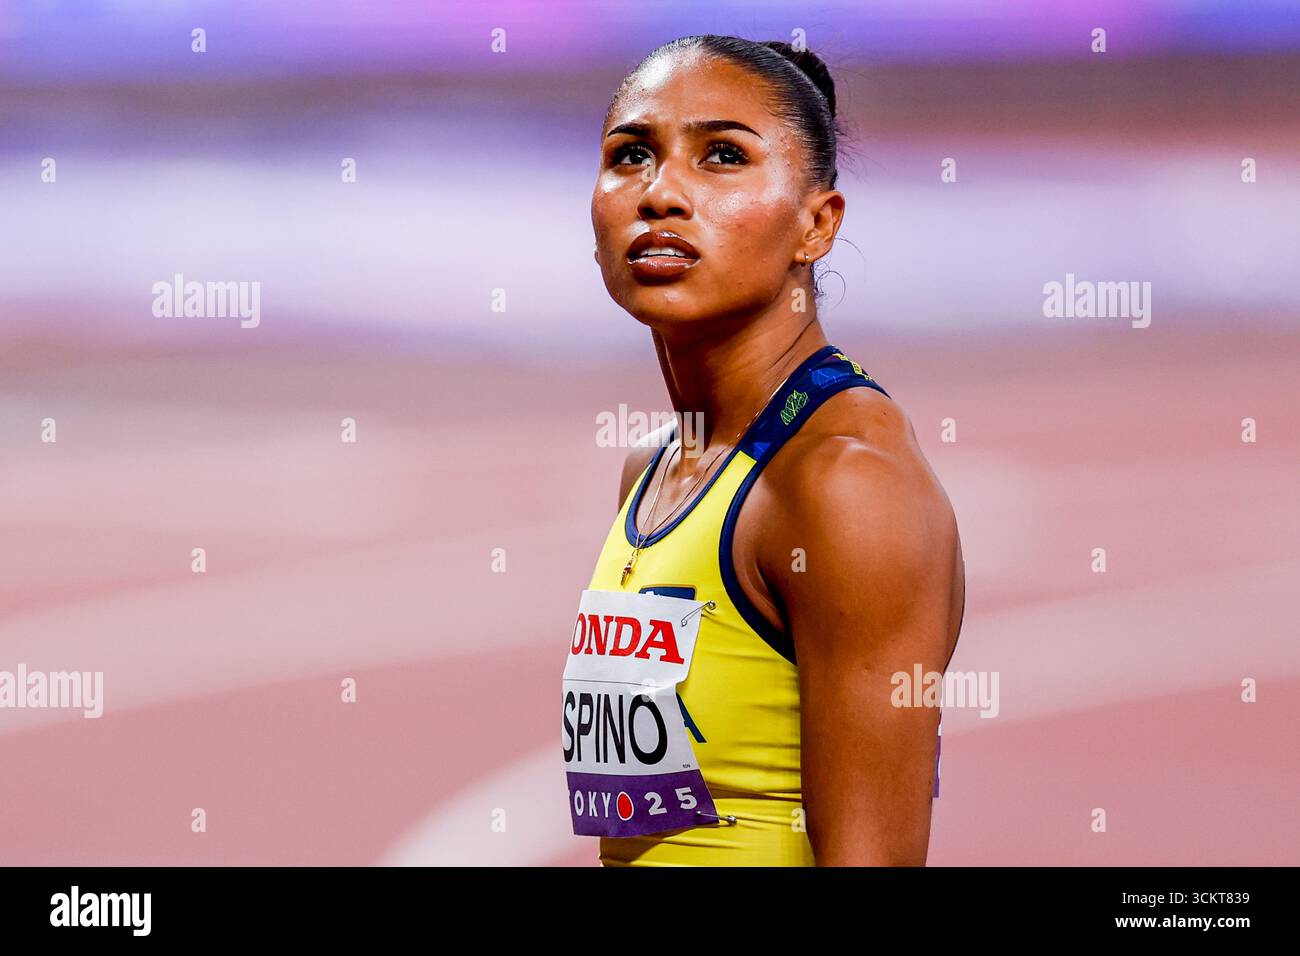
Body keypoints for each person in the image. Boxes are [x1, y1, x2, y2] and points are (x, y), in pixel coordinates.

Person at [564, 34, 965, 866]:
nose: (662, 192)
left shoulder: (842, 482)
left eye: (722, 156)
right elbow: (646, 833)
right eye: (631, 154)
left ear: (816, 225)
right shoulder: (654, 469)